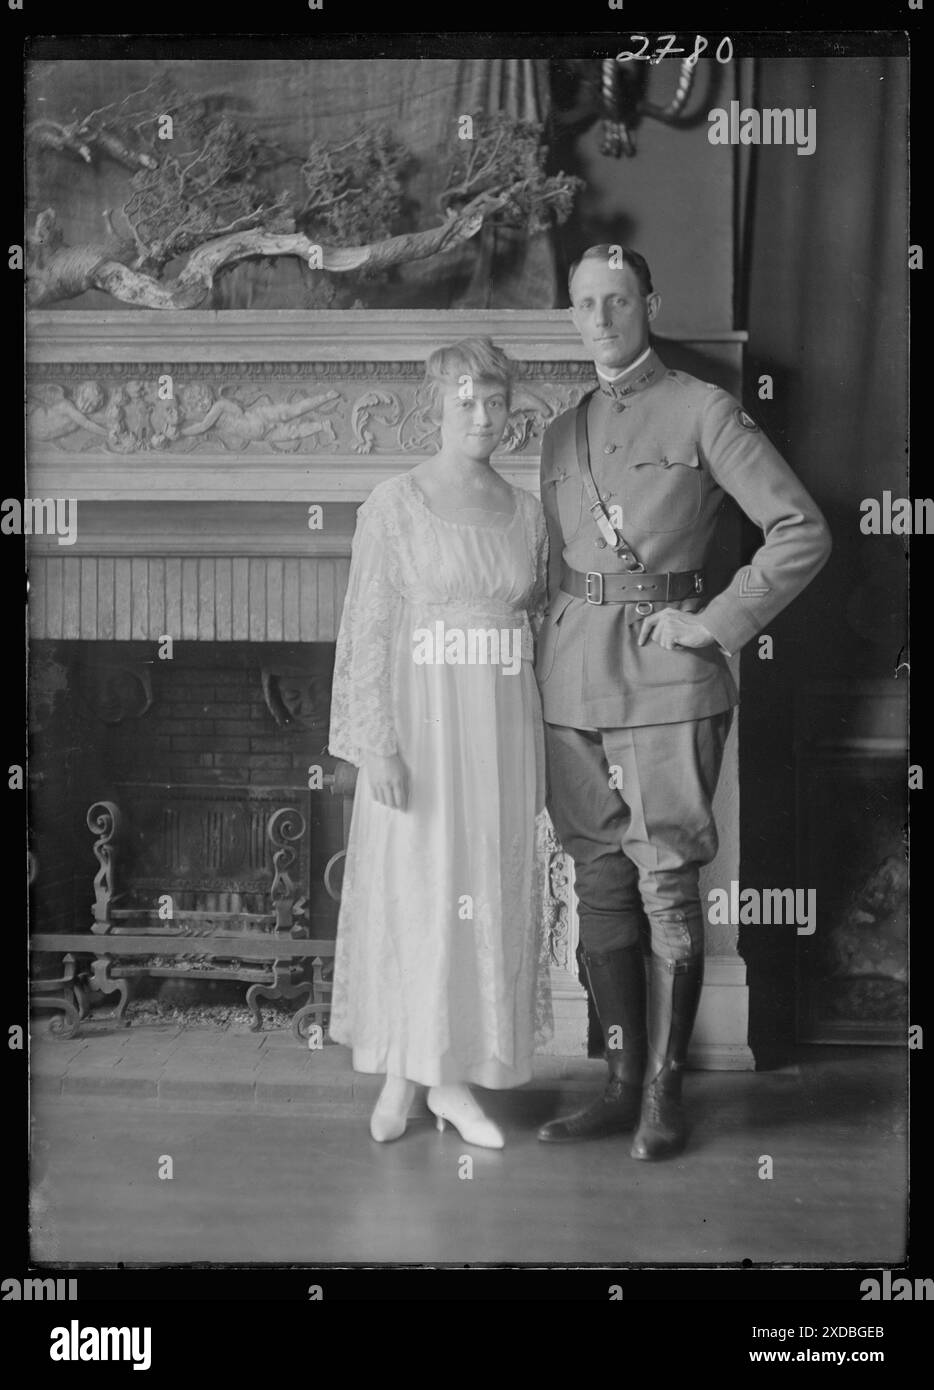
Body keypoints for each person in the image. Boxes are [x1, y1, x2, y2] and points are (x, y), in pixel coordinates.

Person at [535, 245, 832, 1158]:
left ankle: (666, 1091)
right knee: (599, 883)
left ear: (649, 304)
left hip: (667, 677)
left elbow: (800, 530)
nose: (601, 319)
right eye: (586, 304)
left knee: (666, 882)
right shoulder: (559, 432)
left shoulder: (704, 409)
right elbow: (553, 568)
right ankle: (620, 1083)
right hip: (570, 680)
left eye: (617, 301)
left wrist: (717, 624)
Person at [328, 337, 551, 1149]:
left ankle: (446, 1076)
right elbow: (367, 628)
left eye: (495, 401)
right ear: (437, 408)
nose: (483, 416)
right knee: (420, 888)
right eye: (465, 401)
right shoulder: (396, 503)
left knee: (480, 888)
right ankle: (409, 1071)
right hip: (420, 726)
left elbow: (540, 628)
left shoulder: (527, 512)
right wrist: (375, 744)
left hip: (499, 724)